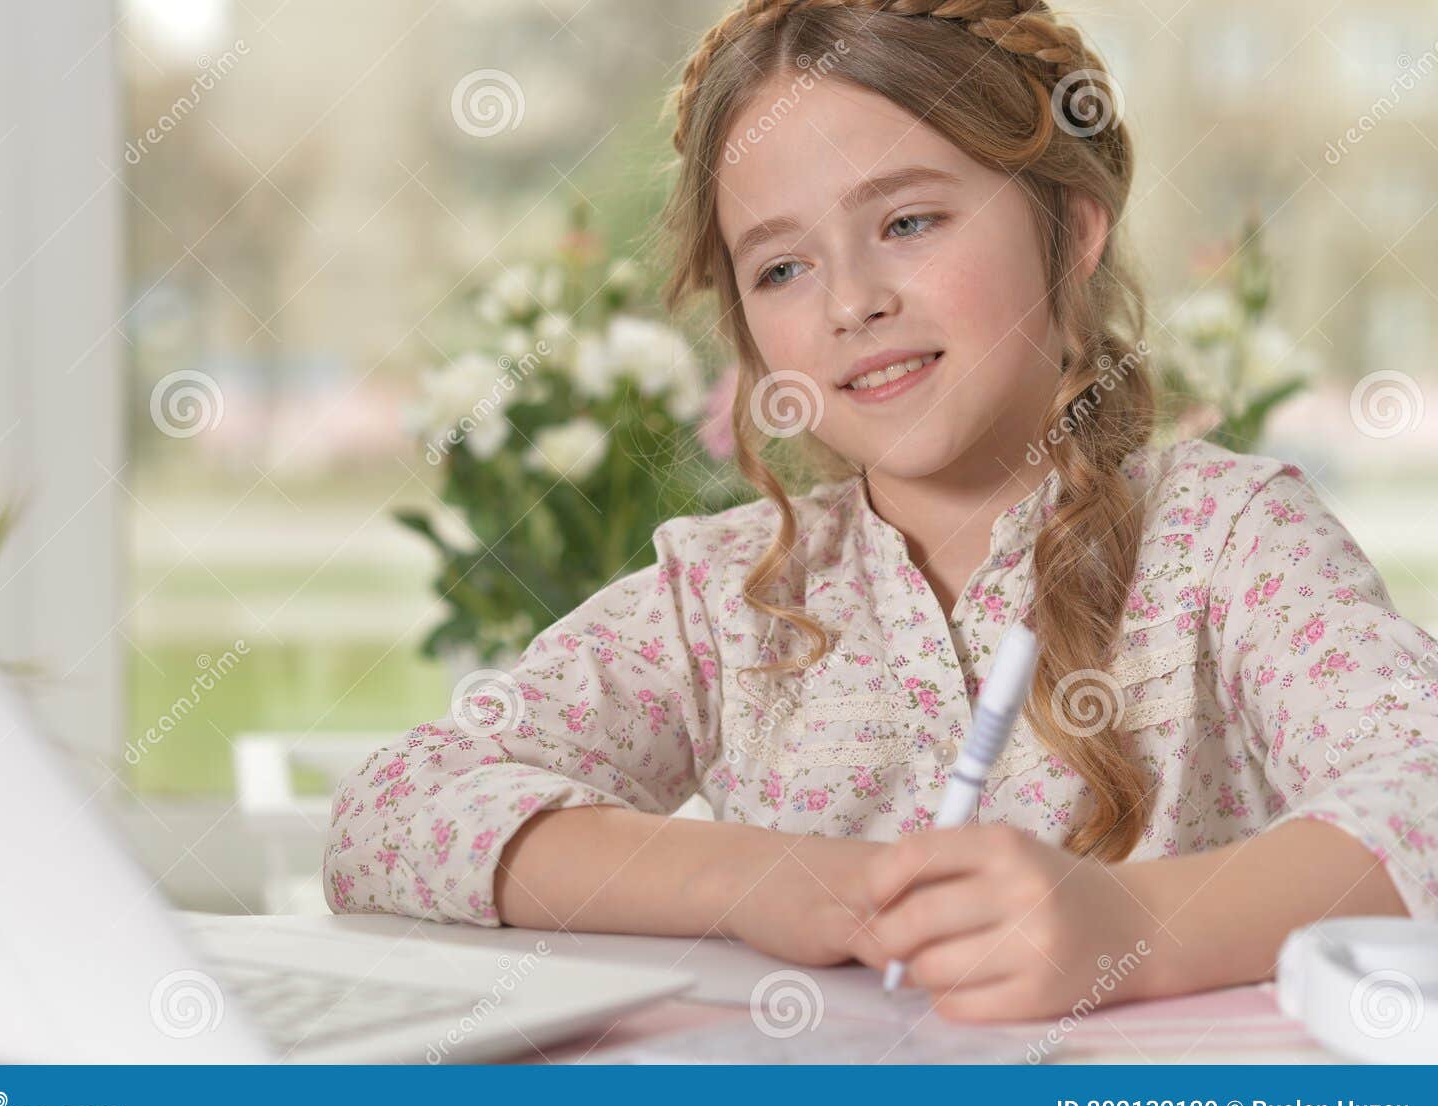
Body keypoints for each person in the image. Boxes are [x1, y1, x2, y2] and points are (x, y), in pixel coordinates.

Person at [324, 0, 1438, 1022]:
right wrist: (764, 877)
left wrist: (1136, 929)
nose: (852, 301)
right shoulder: (724, 596)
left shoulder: (1232, 540)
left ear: (1072, 225)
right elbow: (390, 814)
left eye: (907, 221)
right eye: (781, 269)